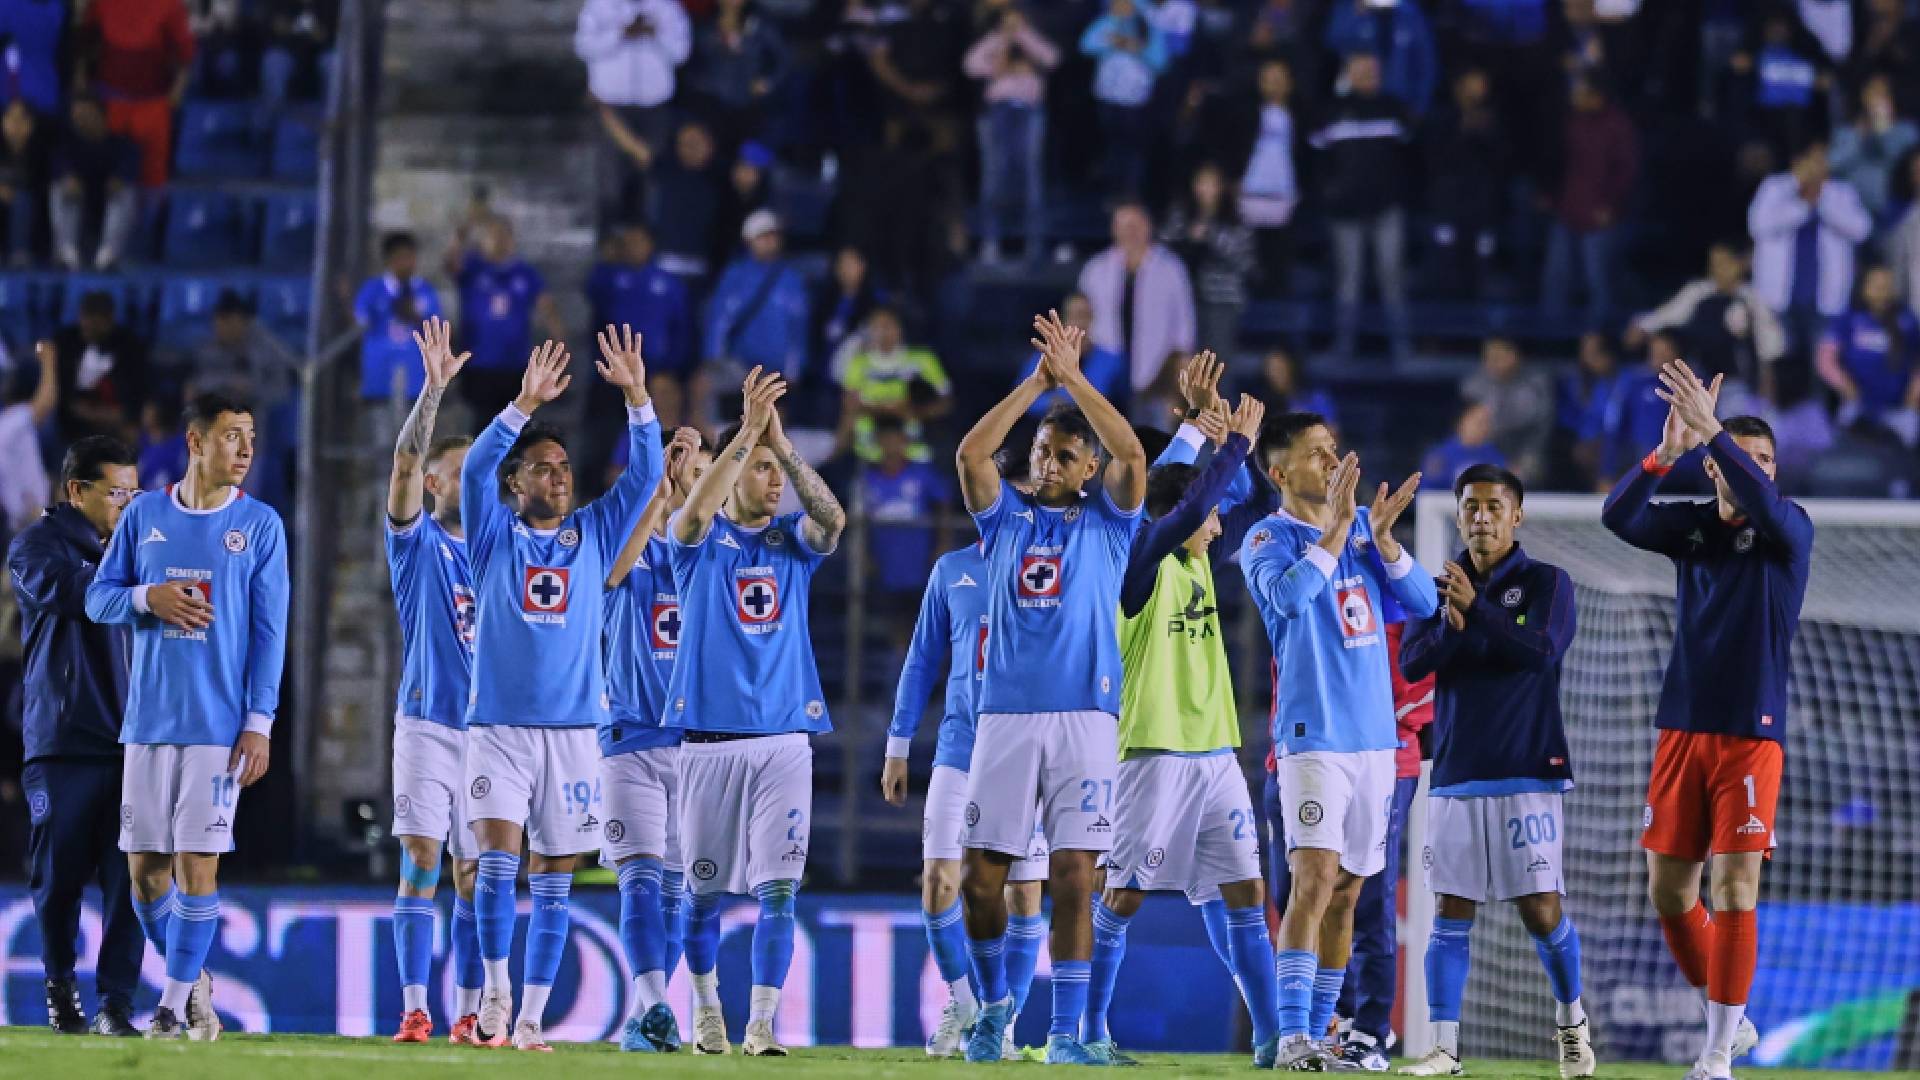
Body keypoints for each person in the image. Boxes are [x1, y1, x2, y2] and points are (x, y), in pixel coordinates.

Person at [1601, 363, 1810, 1080]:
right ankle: (1731, 1018)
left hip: (1752, 737)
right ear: (1715, 472)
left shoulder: (1790, 531)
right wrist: (1665, 455)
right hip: (1681, 729)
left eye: (1766, 462)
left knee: (1735, 888)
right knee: (1669, 893)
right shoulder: (1694, 527)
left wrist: (1716, 434)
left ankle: (1716, 1054)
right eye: (1743, 461)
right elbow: (1619, 516)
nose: (1757, 472)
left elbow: (1759, 494)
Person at [458, 329, 663, 1051]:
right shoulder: (491, 536)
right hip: (500, 729)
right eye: (543, 470)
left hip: (576, 732)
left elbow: (646, 478)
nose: (559, 478)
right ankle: (494, 990)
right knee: (496, 859)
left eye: (564, 467)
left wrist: (638, 397)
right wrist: (522, 406)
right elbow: (472, 469)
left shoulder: (597, 533)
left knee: (554, 876)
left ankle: (531, 1017)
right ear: (516, 485)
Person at [951, 311, 1147, 1065]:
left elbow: (1131, 448)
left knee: (1074, 876)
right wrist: (1037, 383)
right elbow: (972, 451)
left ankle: (1067, 1034)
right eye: (1042, 452)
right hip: (1004, 717)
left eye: (1067, 455)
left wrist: (1075, 381)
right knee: (980, 881)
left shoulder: (1111, 523)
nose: (1052, 464)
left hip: (1086, 718)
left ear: (1089, 469)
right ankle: (995, 1009)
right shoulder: (1003, 520)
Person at [1088, 376, 1283, 1067]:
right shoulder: (1141, 562)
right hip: (1151, 751)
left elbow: (1258, 502)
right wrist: (1229, 441)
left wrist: (1245, 455)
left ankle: (1272, 1038)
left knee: (1247, 895)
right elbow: (1192, 503)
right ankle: (1086, 1032)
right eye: (1207, 515)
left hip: (1212, 753)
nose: (1219, 523)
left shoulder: (1199, 558)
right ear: (1175, 518)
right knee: (1123, 896)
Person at [85, 391, 289, 1041]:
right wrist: (151, 597)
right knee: (145, 874)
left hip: (217, 729)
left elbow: (269, 633)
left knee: (197, 866)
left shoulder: (259, 526)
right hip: (147, 724)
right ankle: (192, 977)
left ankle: (170, 1007)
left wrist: (259, 722)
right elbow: (98, 600)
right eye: (232, 435)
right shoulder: (144, 513)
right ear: (196, 443)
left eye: (251, 435)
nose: (247, 448)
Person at [1238, 410, 1434, 1068]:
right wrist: (1340, 530)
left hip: (1377, 743)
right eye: (1316, 453)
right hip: (1312, 736)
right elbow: (1289, 602)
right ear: (1279, 472)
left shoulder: (1357, 541)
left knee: (1349, 889)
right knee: (1313, 879)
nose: (1331, 461)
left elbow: (1424, 603)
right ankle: (1292, 1032)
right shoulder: (1269, 538)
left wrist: (1381, 538)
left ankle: (1321, 1033)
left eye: (1333, 450)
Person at [663, 367, 846, 1057]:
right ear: (732, 471)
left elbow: (833, 519)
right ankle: (706, 1005)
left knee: (779, 891)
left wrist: (783, 445)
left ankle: (763, 1023)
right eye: (762, 470)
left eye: (776, 471)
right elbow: (690, 517)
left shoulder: (791, 545)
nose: (773, 482)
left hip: (783, 743)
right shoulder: (699, 545)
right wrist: (745, 434)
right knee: (703, 896)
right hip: (709, 743)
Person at [1397, 464, 1593, 1079]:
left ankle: (1571, 1023)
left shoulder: (1546, 583)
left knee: (1540, 908)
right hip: (1457, 770)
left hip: (1528, 769)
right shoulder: (1439, 590)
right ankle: (1444, 1048)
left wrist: (1476, 610)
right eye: (1471, 507)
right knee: (1449, 909)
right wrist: (1454, 624)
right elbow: (1413, 663)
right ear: (1458, 516)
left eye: (1494, 506)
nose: (1481, 516)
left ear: (1516, 516)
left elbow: (1539, 653)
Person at [882, 536, 1051, 1060]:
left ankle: (1003, 1020)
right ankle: (962, 1002)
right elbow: (921, 659)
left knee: (1023, 895)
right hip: (960, 750)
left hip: (1029, 752)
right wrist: (897, 745)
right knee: (939, 881)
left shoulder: (1050, 568)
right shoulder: (952, 570)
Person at [8, 436, 143, 1037]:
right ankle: (62, 987)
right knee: (59, 878)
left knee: (130, 880)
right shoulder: (36, 547)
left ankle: (116, 1004)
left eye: (133, 493)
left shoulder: (137, 549)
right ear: (75, 490)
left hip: (134, 741)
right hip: (63, 740)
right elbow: (76, 596)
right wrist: (141, 590)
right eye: (116, 492)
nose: (126, 503)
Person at [382, 318, 482, 1045]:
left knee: (476, 876)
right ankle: (416, 1005)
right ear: (438, 481)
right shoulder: (417, 546)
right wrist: (434, 390)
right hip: (425, 723)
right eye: (464, 470)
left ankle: (473, 1009)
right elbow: (401, 468)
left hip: (491, 733)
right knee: (422, 857)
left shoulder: (507, 552)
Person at [599, 425, 707, 1053]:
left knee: (675, 890)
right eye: (683, 468)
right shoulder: (634, 548)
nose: (691, 477)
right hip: (632, 738)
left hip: (695, 744)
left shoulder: (714, 554)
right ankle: (654, 1004)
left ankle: (648, 1022)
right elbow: (609, 569)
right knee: (639, 879)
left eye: (699, 470)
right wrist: (656, 497)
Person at [1312, 52, 1414, 364]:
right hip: (1345, 213)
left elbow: (1413, 157)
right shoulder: (1332, 111)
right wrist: (1329, 194)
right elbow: (1317, 160)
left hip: (1386, 209)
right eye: (1360, 70)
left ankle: (1402, 348)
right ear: (1348, 74)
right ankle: (1344, 347)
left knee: (1392, 278)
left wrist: (1399, 193)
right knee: (1348, 282)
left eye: (1372, 69)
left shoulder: (1394, 108)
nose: (1367, 75)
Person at [1628, 242, 1786, 416]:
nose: (1717, 269)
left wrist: (1768, 380)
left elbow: (1771, 346)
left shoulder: (1752, 298)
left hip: (1737, 387)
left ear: (1742, 264)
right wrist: (1641, 327)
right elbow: (1667, 315)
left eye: (1724, 263)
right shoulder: (1699, 292)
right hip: (1699, 380)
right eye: (1714, 263)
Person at [573, 0, 694, 227]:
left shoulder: (667, 7)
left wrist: (654, 33)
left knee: (653, 178)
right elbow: (583, 47)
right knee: (610, 181)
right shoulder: (599, 6)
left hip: (655, 106)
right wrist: (620, 33)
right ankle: (609, 245)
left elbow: (681, 53)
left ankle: (649, 242)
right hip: (612, 107)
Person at [1747, 139, 1871, 352]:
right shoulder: (1775, 187)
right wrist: (1802, 203)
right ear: (1798, 162)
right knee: (1782, 363)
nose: (1818, 166)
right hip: (1778, 299)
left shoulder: (1841, 192)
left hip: (1826, 298)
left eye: (1822, 160)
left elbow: (1861, 229)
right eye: (1813, 160)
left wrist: (1820, 201)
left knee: (1822, 367)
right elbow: (1758, 225)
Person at [1076, 204, 1196, 421]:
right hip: (1107, 372)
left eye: (1135, 225)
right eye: (1123, 225)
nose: (1129, 232)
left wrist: (1178, 382)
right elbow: (1080, 319)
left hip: (1158, 370)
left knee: (1154, 440)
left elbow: (1184, 326)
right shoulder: (1095, 270)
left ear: (1148, 226)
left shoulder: (1170, 268)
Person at [1541, 73, 1637, 331]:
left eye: (1581, 93)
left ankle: (1597, 339)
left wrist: (1612, 205)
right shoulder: (1569, 121)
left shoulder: (1618, 125)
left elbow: (1626, 171)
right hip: (1567, 209)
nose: (1575, 97)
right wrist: (1550, 195)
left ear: (1597, 96)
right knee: (1556, 276)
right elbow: (1555, 161)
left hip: (1600, 216)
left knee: (1598, 281)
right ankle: (1552, 336)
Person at [964, 3, 1059, 265]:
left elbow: (1052, 58)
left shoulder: (1030, 39)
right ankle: (991, 242)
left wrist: (1024, 36)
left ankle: (1034, 244)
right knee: (994, 177)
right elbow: (971, 65)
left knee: (1031, 178)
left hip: (1029, 112)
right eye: (1008, 21)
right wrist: (1001, 42)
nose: (1012, 25)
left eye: (1016, 20)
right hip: (998, 113)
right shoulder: (994, 40)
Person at [444, 216, 565, 418]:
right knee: (481, 424)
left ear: (511, 239)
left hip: (515, 363)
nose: (498, 240)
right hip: (479, 363)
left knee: (515, 425)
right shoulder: (473, 268)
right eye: (492, 236)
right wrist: (462, 232)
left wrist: (559, 341)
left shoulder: (525, 273)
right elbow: (450, 264)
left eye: (502, 235)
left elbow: (547, 307)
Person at [702, 210, 810, 423]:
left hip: (775, 371)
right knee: (701, 386)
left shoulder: (792, 279)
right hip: (738, 367)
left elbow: (798, 329)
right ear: (749, 239)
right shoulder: (734, 275)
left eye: (774, 235)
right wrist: (714, 356)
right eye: (763, 236)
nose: (770, 241)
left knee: (774, 404)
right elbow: (718, 321)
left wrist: (794, 371)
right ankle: (711, 446)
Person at [587, 223, 695, 433]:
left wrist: (672, 367)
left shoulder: (669, 282)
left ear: (650, 244)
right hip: (615, 371)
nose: (633, 247)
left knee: (651, 424)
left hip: (656, 371)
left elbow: (682, 327)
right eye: (627, 243)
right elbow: (592, 298)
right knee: (610, 428)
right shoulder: (609, 278)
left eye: (638, 241)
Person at [77, 0, 193, 189]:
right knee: (107, 183)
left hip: (152, 106)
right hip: (108, 103)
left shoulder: (170, 5)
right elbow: (84, 44)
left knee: (151, 184)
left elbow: (185, 55)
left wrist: (175, 94)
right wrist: (81, 87)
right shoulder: (100, 4)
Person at [1420, 67, 1508, 301]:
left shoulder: (1493, 120)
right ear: (1459, 85)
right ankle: (1443, 334)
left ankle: (1480, 334)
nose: (1480, 88)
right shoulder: (1441, 118)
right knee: (1444, 270)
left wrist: (1482, 133)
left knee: (1482, 273)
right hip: (1447, 207)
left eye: (1482, 82)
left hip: (1482, 210)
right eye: (1474, 82)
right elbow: (1432, 162)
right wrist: (1462, 129)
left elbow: (1502, 162)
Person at [1815, 264, 1920, 447]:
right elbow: (1824, 359)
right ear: (1864, 288)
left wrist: (1914, 395)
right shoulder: (1848, 318)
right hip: (1857, 407)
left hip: (1898, 409)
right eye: (1877, 287)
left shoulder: (1907, 320)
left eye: (1887, 286)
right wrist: (1845, 385)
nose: (1883, 292)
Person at [832, 307, 952, 464]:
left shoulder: (922, 360)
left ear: (899, 329)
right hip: (868, 451)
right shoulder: (858, 364)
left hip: (915, 449)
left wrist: (915, 411)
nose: (881, 333)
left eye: (887, 326)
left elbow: (946, 402)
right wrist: (882, 410)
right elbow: (849, 405)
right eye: (875, 327)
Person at [1161, 163, 1256, 361]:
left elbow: (1245, 261)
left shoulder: (1236, 218)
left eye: (1211, 183)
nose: (1205, 189)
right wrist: (1187, 237)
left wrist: (1211, 236)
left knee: (1218, 363)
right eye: (1201, 183)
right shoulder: (1183, 214)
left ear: (1221, 187)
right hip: (1186, 299)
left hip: (1223, 302)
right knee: (1187, 361)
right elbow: (1164, 245)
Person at [1079, 0, 1167, 200]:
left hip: (1136, 100)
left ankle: (1133, 198)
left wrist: (1136, 48)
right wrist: (1114, 26)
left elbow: (1161, 60)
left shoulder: (1150, 20)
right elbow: (1085, 45)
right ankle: (1114, 197)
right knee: (1113, 150)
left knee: (1134, 152)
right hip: (1108, 98)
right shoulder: (1108, 19)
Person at [685, 0, 790, 150]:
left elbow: (782, 58)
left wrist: (768, 81)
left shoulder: (759, 24)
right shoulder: (704, 25)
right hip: (710, 104)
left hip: (748, 103)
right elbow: (690, 62)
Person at [50, 95, 139, 272]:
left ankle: (109, 255)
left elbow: (128, 171)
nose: (79, 121)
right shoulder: (68, 146)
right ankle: (66, 252)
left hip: (109, 206)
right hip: (80, 206)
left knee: (126, 192)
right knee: (60, 188)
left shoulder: (123, 144)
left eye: (85, 115)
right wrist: (69, 178)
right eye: (76, 116)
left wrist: (118, 179)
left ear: (100, 115)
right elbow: (59, 167)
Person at [354, 233, 444, 402]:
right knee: (380, 425)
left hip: (417, 380)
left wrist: (414, 315)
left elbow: (438, 330)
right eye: (401, 257)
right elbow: (359, 323)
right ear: (389, 260)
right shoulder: (372, 289)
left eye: (410, 257)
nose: (406, 263)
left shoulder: (425, 290)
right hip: (379, 378)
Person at [53, 290, 148, 447]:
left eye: (95, 325)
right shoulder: (65, 342)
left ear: (109, 320)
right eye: (85, 323)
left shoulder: (130, 346)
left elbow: (138, 393)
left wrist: (109, 415)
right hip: (71, 422)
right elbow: (62, 393)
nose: (88, 329)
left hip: (117, 421)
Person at [1016, 292, 1129, 418]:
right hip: (1047, 426)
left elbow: (1115, 401)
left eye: (1084, 316)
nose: (1080, 323)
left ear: (1092, 319)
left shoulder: (1111, 362)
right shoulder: (1042, 358)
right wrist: (1051, 402)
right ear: (1062, 320)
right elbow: (1021, 400)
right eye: (1075, 316)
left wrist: (1068, 402)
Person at [1461, 336, 1554, 487]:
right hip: (1486, 450)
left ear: (1514, 355)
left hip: (1524, 450)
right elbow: (1466, 429)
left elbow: (1541, 431)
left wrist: (1519, 463)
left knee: (1528, 470)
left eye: (1498, 357)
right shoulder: (1474, 386)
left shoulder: (1537, 384)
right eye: (1489, 357)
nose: (1492, 362)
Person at [1828, 74, 1917, 221]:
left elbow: (1901, 165)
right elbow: (1833, 166)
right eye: (1873, 93)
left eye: (1883, 94)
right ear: (1863, 96)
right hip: (1849, 215)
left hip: (1894, 216)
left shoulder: (1906, 130)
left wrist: (1883, 129)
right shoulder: (1846, 133)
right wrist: (1859, 135)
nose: (1877, 101)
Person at [0, 341, 58, 535]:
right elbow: (46, 402)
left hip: (23, 520)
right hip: (26, 520)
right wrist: (49, 362)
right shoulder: (13, 421)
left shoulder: (9, 423)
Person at [1420, 402, 1508, 492]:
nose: (1484, 427)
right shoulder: (1439, 455)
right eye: (1478, 422)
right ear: (1461, 422)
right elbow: (1426, 493)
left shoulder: (1494, 456)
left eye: (1487, 423)